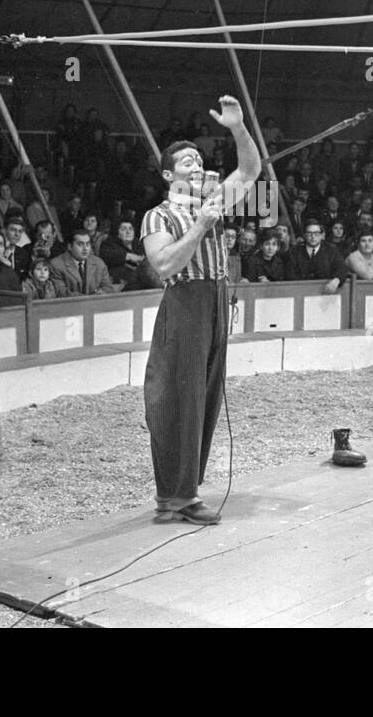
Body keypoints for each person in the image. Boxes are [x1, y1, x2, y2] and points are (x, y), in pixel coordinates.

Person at [140, 95, 260, 526]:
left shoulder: (212, 202)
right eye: (186, 161)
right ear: (169, 174)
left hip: (214, 302)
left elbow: (250, 171)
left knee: (205, 399)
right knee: (178, 399)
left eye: (198, 158)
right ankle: (174, 498)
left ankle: (184, 494)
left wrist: (238, 127)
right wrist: (202, 226)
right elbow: (166, 264)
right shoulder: (158, 216)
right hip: (185, 304)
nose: (197, 164)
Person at [286, 221, 346, 293]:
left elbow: (342, 268)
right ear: (304, 235)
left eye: (316, 233)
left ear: (321, 235)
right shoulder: (294, 251)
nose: (313, 236)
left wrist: (337, 280)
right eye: (309, 233)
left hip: (325, 293)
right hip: (300, 292)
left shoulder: (331, 250)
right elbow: (290, 274)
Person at [51, 229, 118, 295]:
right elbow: (60, 292)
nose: (85, 248)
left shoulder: (99, 263)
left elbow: (108, 287)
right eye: (80, 244)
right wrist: (87, 299)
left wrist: (102, 292)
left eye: (88, 244)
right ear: (70, 247)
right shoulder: (56, 265)